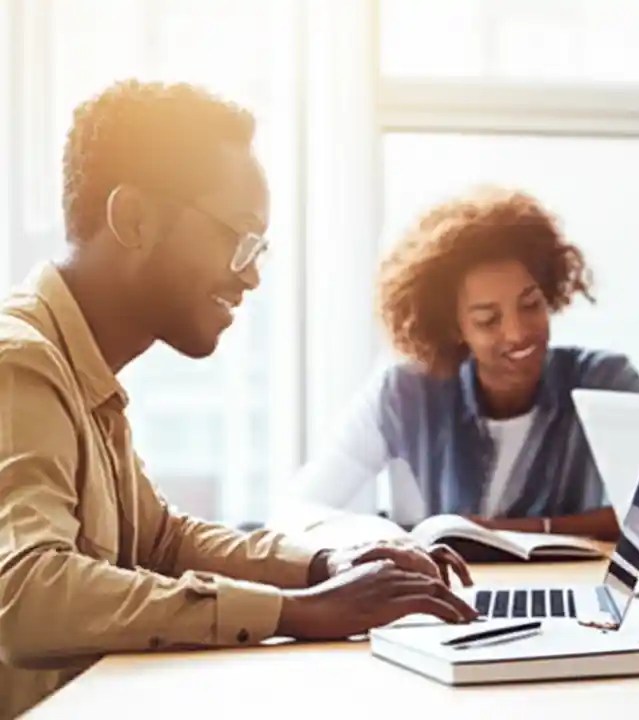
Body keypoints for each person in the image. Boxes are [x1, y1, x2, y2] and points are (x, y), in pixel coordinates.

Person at [0, 80, 478, 720]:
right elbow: (26, 595)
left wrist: (325, 566)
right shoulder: (20, 363)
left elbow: (162, 543)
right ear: (135, 219)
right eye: (240, 237)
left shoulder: (82, 373)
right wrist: (299, 613)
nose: (252, 272)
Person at [292, 188, 639, 541]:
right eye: (488, 319)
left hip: (568, 588)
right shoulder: (406, 393)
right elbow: (301, 512)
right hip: (444, 592)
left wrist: (517, 531)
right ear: (453, 326)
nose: (517, 333)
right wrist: (396, 536)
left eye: (530, 305)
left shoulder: (604, 380)